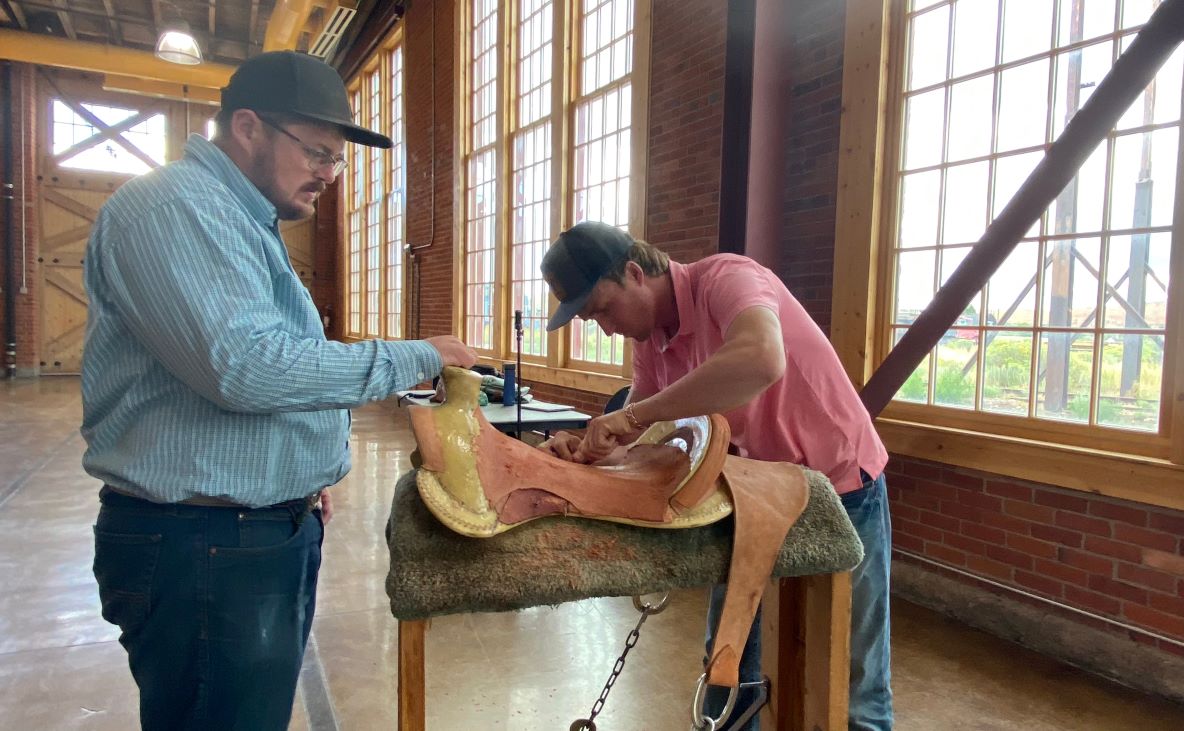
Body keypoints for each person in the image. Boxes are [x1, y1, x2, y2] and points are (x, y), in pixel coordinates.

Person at [81, 51, 474, 730]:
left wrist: (295, 465)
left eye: (337, 158)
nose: (330, 173)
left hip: (246, 530)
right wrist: (414, 355)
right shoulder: (175, 208)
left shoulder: (241, 223)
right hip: (202, 542)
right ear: (248, 127)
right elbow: (246, 366)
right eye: (317, 151)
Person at [538, 221, 892, 731]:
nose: (606, 328)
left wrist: (633, 419)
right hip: (753, 495)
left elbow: (760, 358)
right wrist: (592, 448)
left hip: (840, 481)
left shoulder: (728, 278)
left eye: (603, 309)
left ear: (635, 273)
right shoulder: (650, 341)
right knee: (726, 660)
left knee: (857, 675)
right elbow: (641, 431)